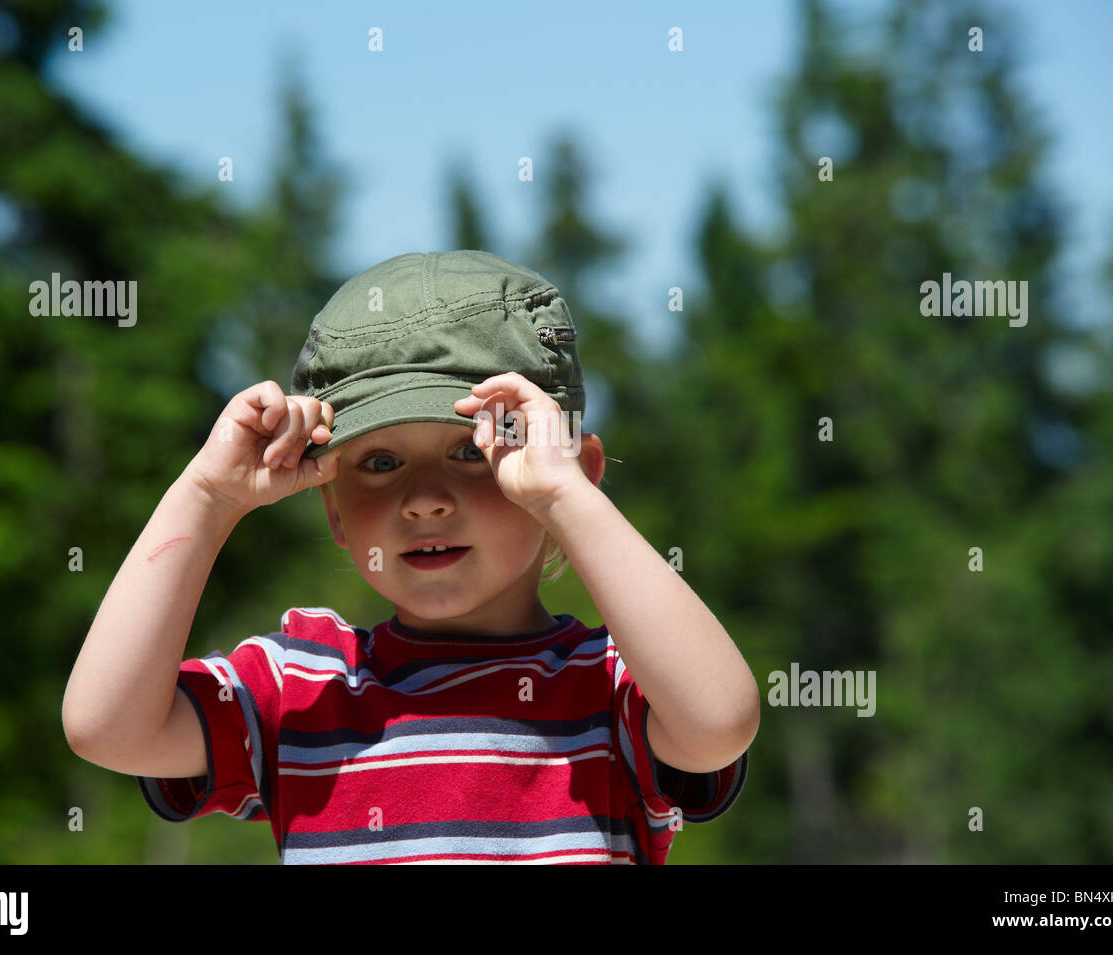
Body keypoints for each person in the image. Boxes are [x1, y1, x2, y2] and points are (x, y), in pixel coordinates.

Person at [62, 250, 761, 864]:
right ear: (335, 508)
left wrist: (565, 498)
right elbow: (107, 726)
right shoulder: (301, 689)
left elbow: (718, 721)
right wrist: (207, 496)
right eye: (380, 460)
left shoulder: (611, 689)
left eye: (471, 450)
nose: (424, 499)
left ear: (574, 471)